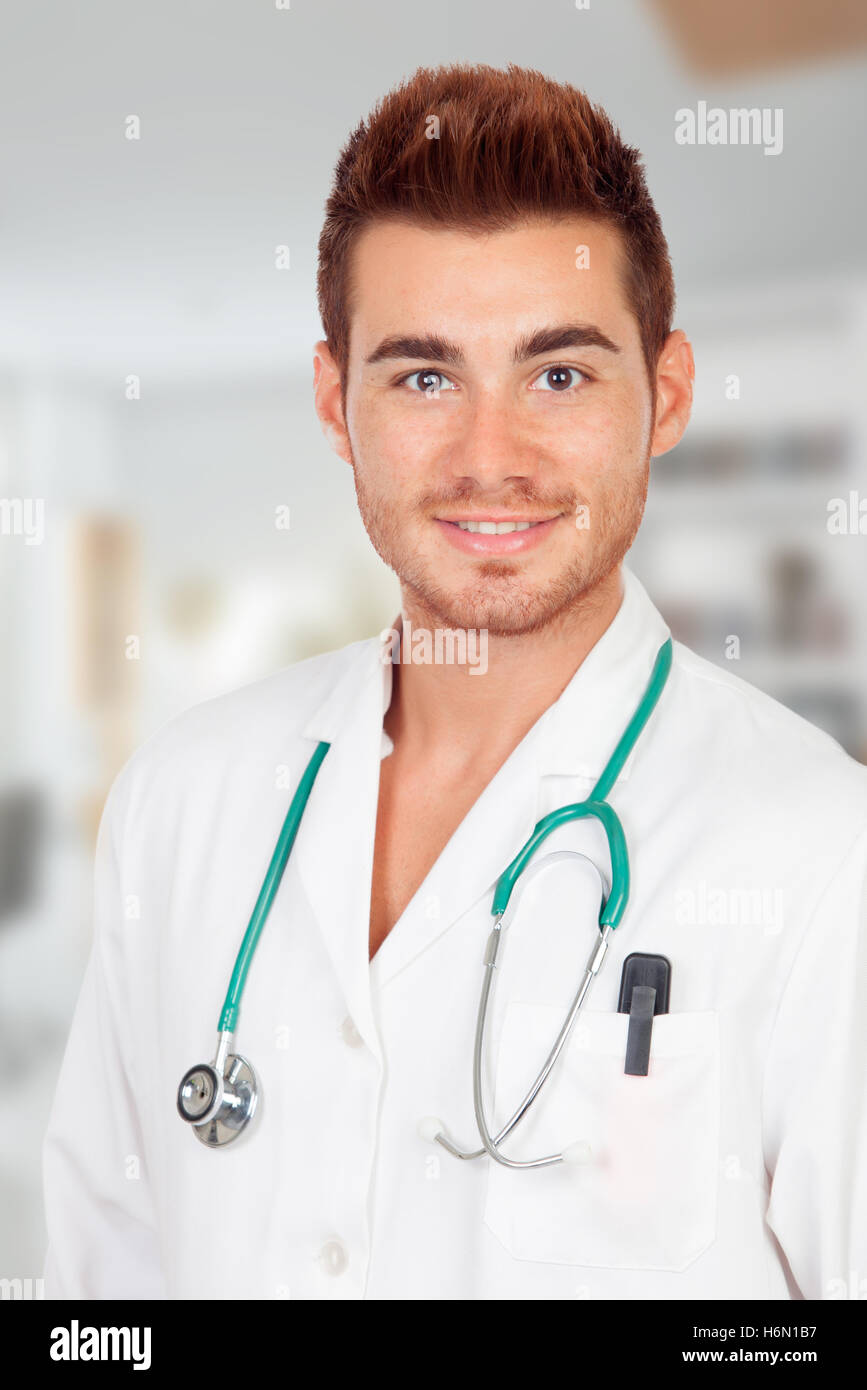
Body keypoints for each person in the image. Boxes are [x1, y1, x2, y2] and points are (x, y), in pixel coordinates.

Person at [42, 61, 867, 1301]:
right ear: (337, 401)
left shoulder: (820, 856)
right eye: (425, 376)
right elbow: (98, 1296)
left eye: (560, 374)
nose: (492, 459)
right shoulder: (181, 805)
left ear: (668, 395)